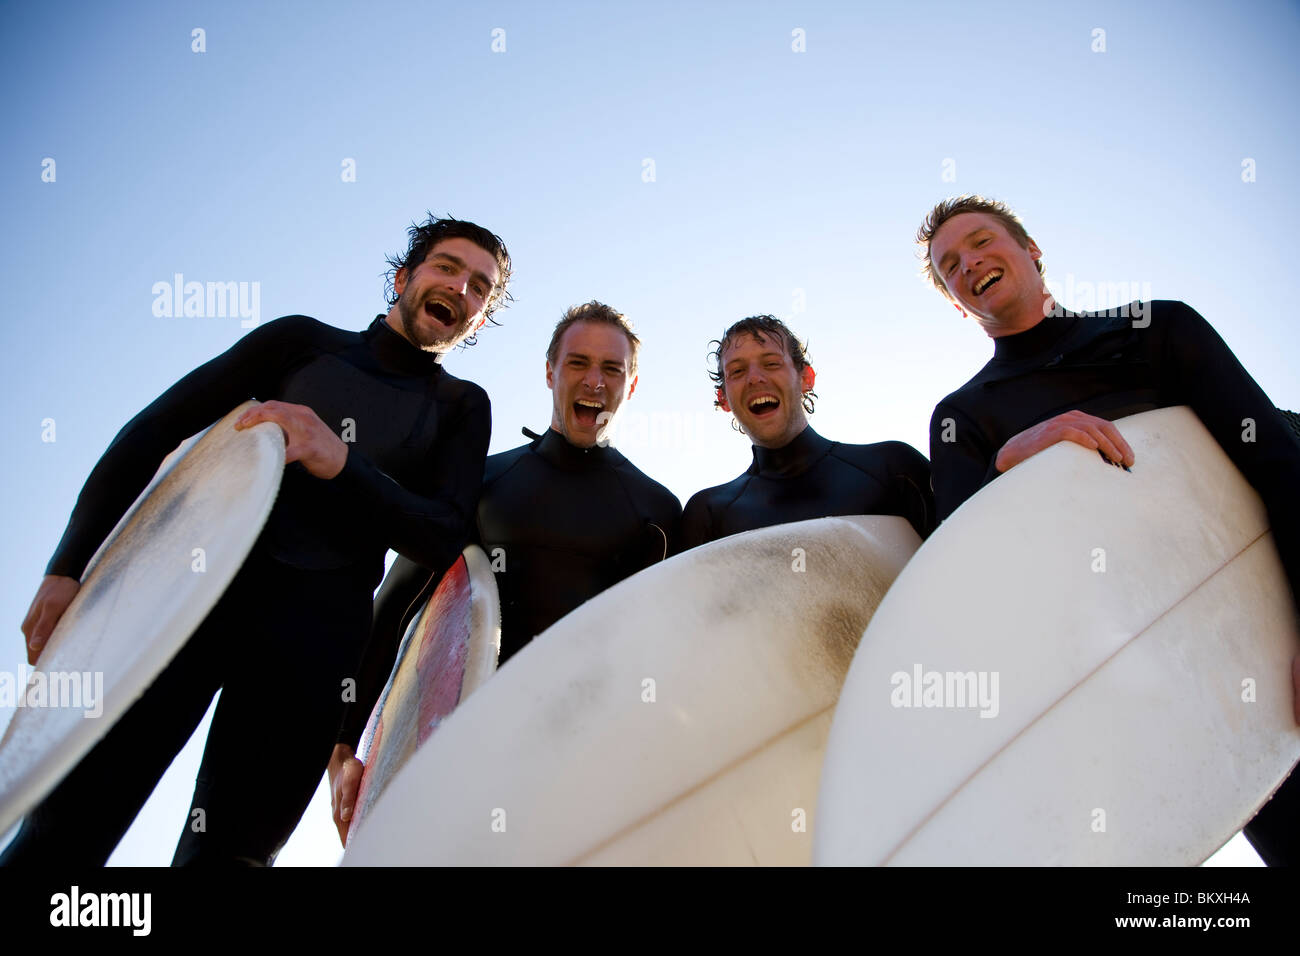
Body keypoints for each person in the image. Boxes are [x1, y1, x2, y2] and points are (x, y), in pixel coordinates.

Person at [3, 215, 511, 867]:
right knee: (68, 822)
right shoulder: (301, 345)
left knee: (231, 856)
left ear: (479, 317)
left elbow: (441, 533)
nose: (461, 289)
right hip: (191, 602)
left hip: (314, 643)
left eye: (480, 288)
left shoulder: (461, 407)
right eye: (447, 267)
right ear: (403, 276)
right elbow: (152, 431)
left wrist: (342, 462)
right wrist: (66, 566)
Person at [918, 193, 1300, 866]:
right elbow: (961, 562)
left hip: (1272, 624)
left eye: (982, 242)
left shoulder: (1156, 331)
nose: (970, 262)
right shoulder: (964, 418)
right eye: (951, 264)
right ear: (955, 302)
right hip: (1168, 692)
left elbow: (1277, 464)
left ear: (1032, 250)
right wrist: (1011, 455)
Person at [327, 301, 680, 843]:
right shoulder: (483, 484)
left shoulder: (657, 512)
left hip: (589, 773)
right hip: (463, 764)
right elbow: (395, 606)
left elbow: (665, 656)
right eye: (578, 363)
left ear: (631, 385)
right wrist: (345, 743)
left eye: (612, 369)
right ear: (549, 373)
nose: (594, 381)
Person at [681, 315, 934, 548]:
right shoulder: (708, 513)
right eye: (737, 371)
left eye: (771, 363)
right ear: (723, 398)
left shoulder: (894, 469)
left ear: (806, 378)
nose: (755, 378)